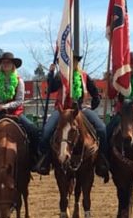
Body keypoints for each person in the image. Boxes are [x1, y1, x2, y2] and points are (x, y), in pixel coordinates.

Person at [34, 53, 110, 181]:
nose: (71, 64)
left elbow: (95, 93)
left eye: (73, 61)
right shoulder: (60, 76)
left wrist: (94, 104)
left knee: (102, 128)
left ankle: (102, 160)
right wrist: (51, 74)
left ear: (76, 63)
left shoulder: (84, 76)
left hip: (81, 110)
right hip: (62, 110)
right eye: (68, 61)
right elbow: (51, 88)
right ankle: (45, 160)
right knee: (47, 131)